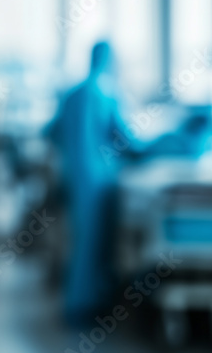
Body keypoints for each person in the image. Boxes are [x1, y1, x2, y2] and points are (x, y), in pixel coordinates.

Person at [52, 41, 137, 325]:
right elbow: (126, 139)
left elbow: (51, 131)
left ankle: (78, 302)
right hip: (99, 180)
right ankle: (85, 307)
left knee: (81, 241)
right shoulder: (108, 94)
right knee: (95, 243)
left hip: (75, 178)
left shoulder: (72, 94)